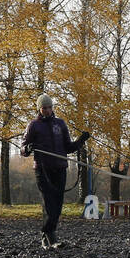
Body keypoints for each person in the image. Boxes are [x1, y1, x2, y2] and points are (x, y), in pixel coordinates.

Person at [21, 94, 89, 249]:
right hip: (42, 169)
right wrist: (28, 148)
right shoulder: (33, 125)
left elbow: (68, 147)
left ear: (52, 108)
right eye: (44, 108)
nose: (47, 110)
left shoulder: (60, 124)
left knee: (57, 205)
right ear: (39, 109)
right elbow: (23, 148)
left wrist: (81, 140)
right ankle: (50, 237)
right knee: (48, 203)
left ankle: (47, 235)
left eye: (49, 107)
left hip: (59, 167)